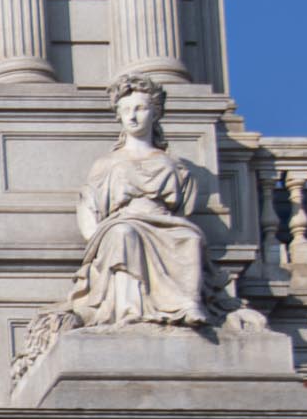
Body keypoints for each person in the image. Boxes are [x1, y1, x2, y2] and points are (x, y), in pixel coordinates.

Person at [66, 76, 214, 327]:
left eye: (140, 109)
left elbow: (184, 206)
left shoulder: (174, 164)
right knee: (124, 234)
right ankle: (129, 309)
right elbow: (89, 204)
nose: (132, 117)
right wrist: (95, 235)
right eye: (126, 110)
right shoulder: (106, 164)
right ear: (119, 116)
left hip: (163, 221)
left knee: (190, 238)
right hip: (124, 220)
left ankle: (187, 305)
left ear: (155, 114)